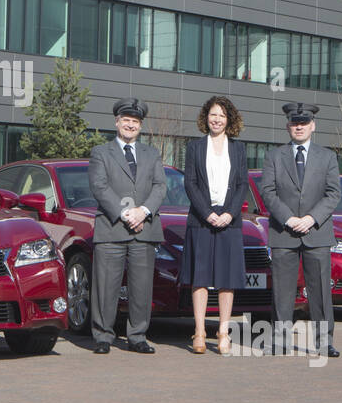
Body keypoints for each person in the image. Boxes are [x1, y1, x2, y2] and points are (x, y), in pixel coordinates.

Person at [258, 102, 341, 357]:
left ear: (312, 126)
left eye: (304, 123)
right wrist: (289, 218)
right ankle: (280, 340)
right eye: (295, 123)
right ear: (288, 126)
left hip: (317, 233)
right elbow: (268, 192)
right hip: (284, 232)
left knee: (320, 291)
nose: (299, 127)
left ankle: (324, 341)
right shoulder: (274, 156)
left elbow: (333, 193)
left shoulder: (327, 156)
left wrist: (311, 218)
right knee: (282, 290)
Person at [88, 98, 167, 354]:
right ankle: (102, 336)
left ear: (140, 125)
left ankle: (138, 336)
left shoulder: (152, 153)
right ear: (117, 122)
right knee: (105, 286)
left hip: (144, 229)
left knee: (141, 287)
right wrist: (125, 213)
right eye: (126, 120)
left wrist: (142, 212)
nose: (130, 125)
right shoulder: (101, 152)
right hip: (112, 228)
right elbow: (100, 186)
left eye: (135, 121)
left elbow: (160, 186)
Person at [180, 96, 248, 355]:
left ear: (229, 119)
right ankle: (198, 331)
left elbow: (242, 184)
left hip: (230, 220)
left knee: (226, 279)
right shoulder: (195, 147)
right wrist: (207, 213)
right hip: (201, 219)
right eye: (212, 114)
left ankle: (223, 332)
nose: (217, 119)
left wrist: (230, 214)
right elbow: (190, 183)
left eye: (221, 115)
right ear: (205, 118)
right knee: (200, 277)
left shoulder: (239, 149)